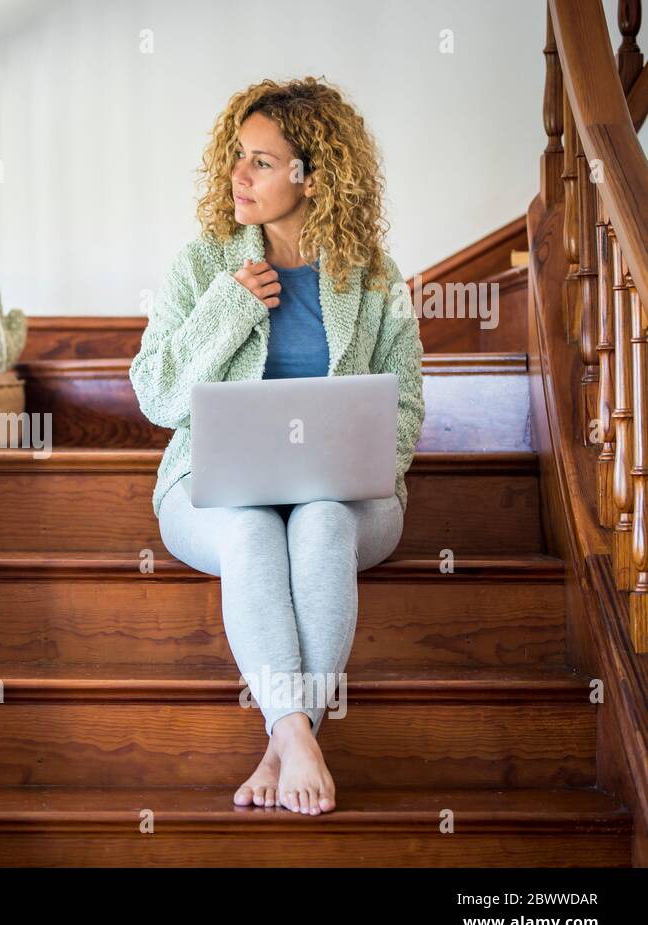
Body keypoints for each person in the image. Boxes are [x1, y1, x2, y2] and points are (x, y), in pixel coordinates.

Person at [128, 77, 426, 816]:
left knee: (321, 517)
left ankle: (284, 742)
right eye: (238, 156)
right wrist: (228, 306)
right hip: (213, 491)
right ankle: (296, 734)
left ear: (313, 176)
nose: (237, 174)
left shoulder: (376, 278)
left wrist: (362, 466)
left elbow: (408, 405)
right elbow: (155, 394)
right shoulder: (202, 265)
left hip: (349, 499)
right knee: (253, 528)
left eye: (260, 161)